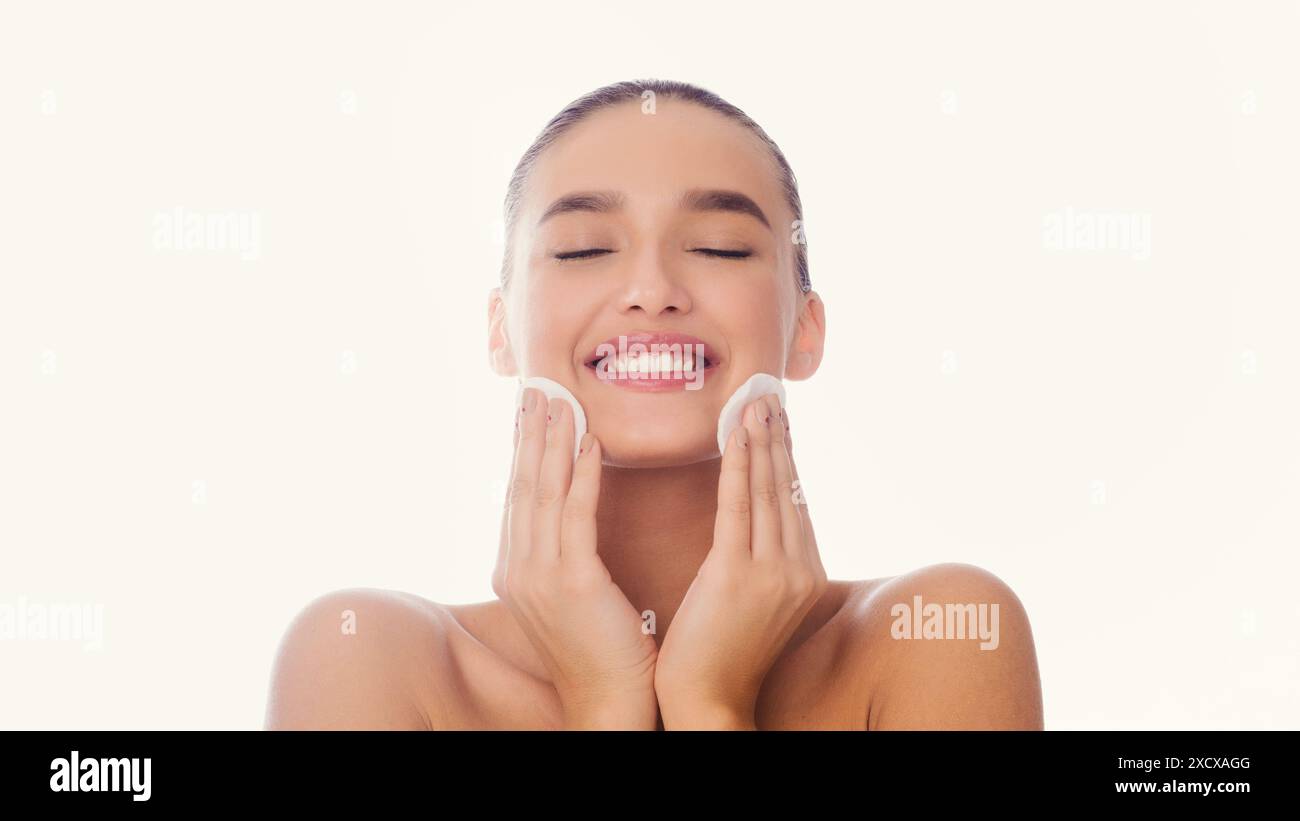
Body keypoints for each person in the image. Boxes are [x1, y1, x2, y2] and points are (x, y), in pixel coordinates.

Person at [264, 79, 1044, 730]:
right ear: (501, 329)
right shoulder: (365, 658)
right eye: (583, 249)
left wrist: (710, 702)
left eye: (719, 247)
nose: (650, 292)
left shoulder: (941, 634)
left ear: (805, 330)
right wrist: (606, 701)